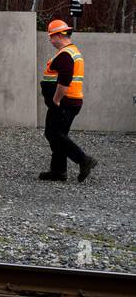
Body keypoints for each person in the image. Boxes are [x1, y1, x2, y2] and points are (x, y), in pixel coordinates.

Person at [39, 19, 98, 183]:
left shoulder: (66, 54)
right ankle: (58, 171)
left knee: (53, 134)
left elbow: (65, 79)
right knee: (59, 135)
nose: (50, 40)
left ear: (59, 35)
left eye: (51, 36)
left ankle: (83, 160)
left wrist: (56, 100)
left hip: (64, 102)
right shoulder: (71, 52)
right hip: (71, 101)